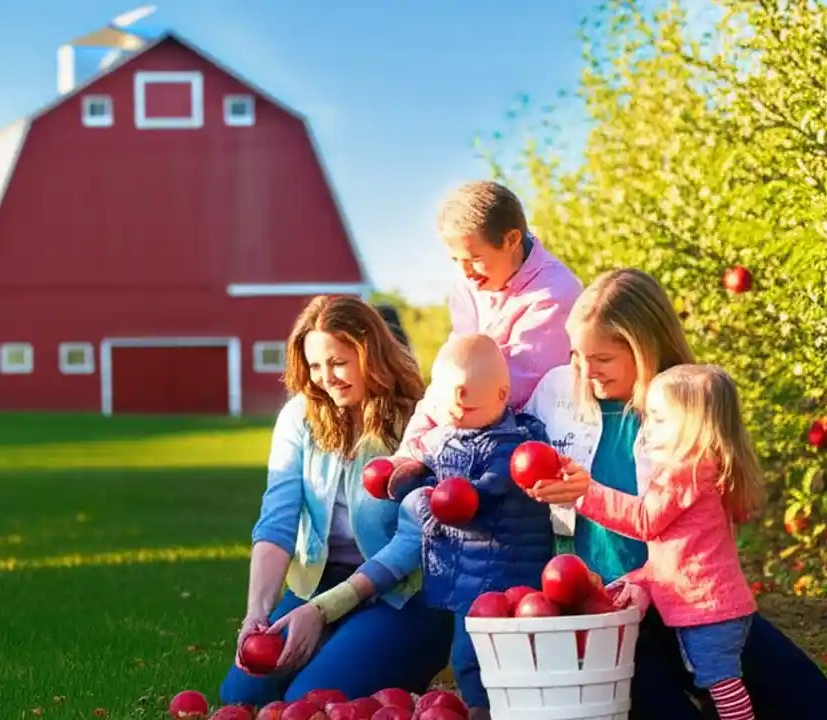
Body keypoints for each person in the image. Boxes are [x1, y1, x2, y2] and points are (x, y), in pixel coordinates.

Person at [522, 268, 827, 720]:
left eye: (602, 359)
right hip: (607, 608)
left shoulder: (681, 412)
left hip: (687, 595)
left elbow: (670, 520)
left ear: (645, 349)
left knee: (817, 709)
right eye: (577, 354)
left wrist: (586, 493)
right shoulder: (555, 395)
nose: (585, 370)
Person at [218, 295, 452, 706]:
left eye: (339, 362)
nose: (326, 377)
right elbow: (277, 520)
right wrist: (257, 613)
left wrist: (324, 611)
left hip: (403, 597)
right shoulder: (300, 417)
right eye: (314, 366)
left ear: (371, 354)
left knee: (310, 703)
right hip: (317, 586)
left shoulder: (419, 419)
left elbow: (412, 542)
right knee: (243, 697)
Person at [569, 364, 766, 720]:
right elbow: (676, 550)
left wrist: (586, 494)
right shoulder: (705, 468)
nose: (649, 428)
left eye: (659, 419)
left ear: (693, 425)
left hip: (708, 610)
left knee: (722, 685)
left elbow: (644, 520)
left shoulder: (685, 473)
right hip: (713, 606)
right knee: (715, 684)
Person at [389, 334, 556, 719]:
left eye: (468, 393)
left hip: (507, 569)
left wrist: (435, 503)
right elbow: (430, 477)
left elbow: (478, 495)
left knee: (501, 649)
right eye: (450, 395)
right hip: (465, 571)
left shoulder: (515, 443)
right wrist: (408, 481)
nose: (459, 403)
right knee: (467, 651)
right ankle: (482, 705)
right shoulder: (446, 439)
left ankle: (495, 708)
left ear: (502, 395)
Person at [398, 180, 583, 462]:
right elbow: (454, 368)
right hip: (459, 428)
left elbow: (506, 389)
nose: (465, 271)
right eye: (456, 260)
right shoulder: (468, 285)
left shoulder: (554, 293)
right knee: (383, 501)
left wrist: (428, 437)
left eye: (474, 258)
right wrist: (409, 447)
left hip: (520, 445)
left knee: (419, 504)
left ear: (511, 240)